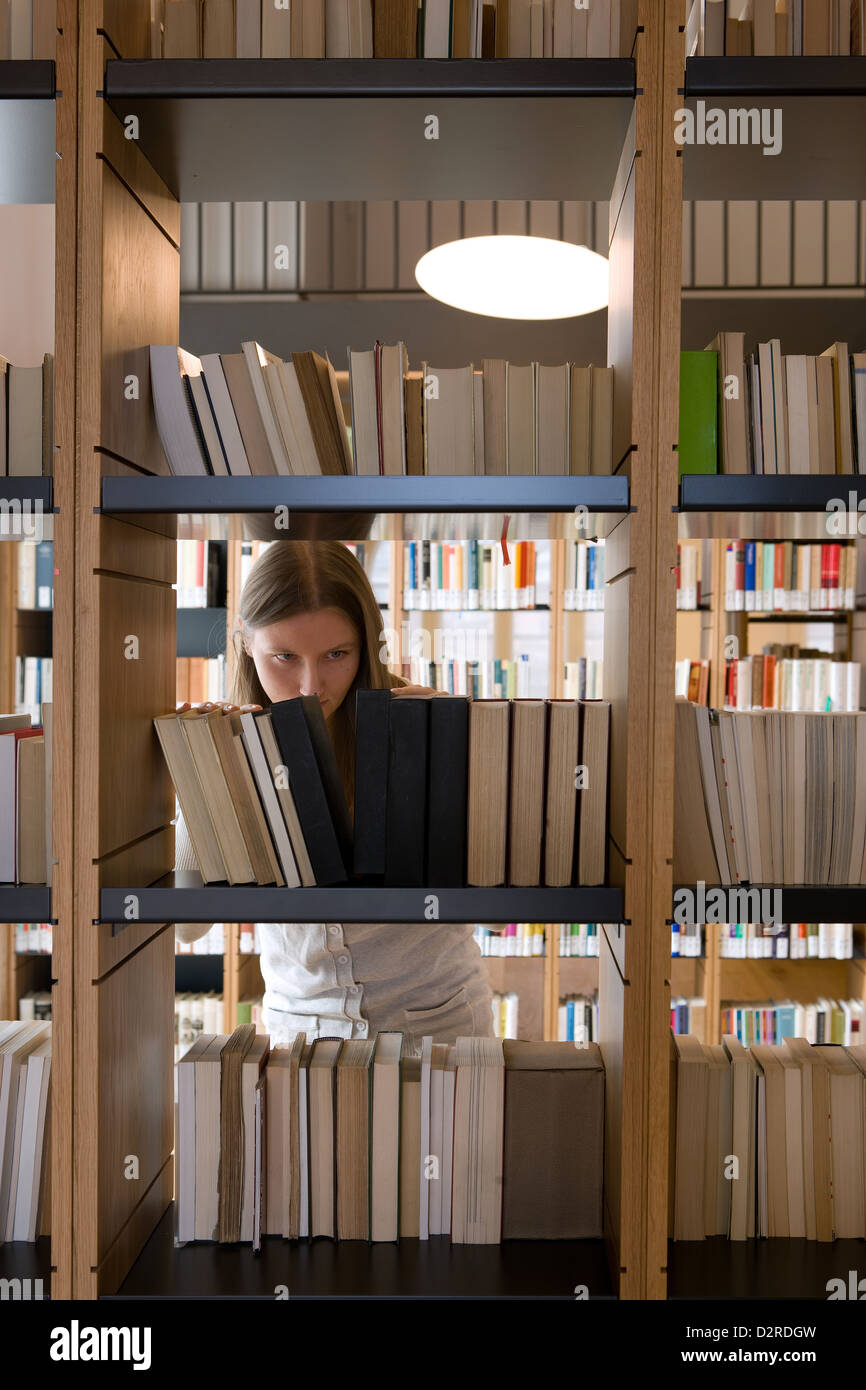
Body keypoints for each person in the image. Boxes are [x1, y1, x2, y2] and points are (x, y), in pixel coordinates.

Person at [174, 539, 497, 1052]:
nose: (310, 686)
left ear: (367, 645)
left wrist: (467, 750)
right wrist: (206, 769)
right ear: (244, 646)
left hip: (439, 1032)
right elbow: (187, 930)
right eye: (283, 656)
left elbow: (500, 882)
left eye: (336, 655)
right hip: (299, 1040)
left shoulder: (426, 724)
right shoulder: (233, 744)